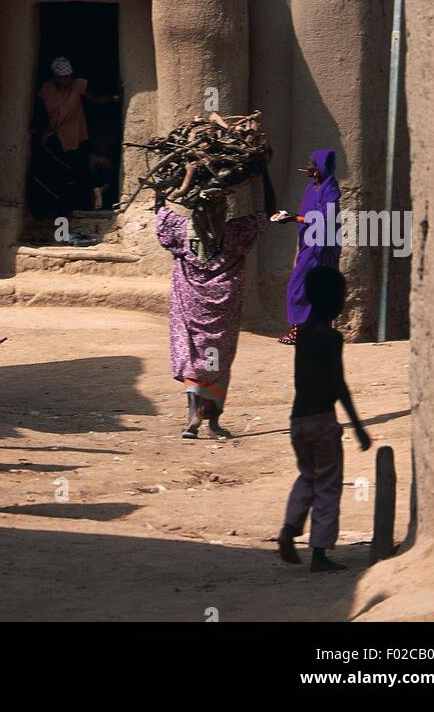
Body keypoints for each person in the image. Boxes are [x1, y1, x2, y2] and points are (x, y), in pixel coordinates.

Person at [155, 161, 274, 439]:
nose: (218, 212)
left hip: (195, 311)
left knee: (196, 360)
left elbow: (160, 211)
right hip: (222, 314)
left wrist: (162, 184)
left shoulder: (182, 231)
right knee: (215, 364)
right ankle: (210, 421)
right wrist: (263, 174)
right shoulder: (235, 233)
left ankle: (197, 416)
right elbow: (268, 212)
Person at [278, 265, 371, 572]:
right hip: (323, 422)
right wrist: (358, 427)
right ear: (336, 301)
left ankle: (290, 528)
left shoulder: (302, 335)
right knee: (328, 486)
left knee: (307, 476)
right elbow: (338, 385)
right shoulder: (332, 339)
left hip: (297, 420)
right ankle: (319, 552)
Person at [32, 55, 119, 246]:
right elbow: (41, 112)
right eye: (63, 77)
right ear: (56, 77)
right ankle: (54, 223)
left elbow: (93, 98)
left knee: (72, 181)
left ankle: (66, 223)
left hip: (75, 139)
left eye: (69, 76)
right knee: (51, 182)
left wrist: (113, 98)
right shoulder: (46, 89)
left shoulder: (78, 85)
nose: (67, 80)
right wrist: (40, 132)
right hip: (53, 140)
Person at [276, 149, 341, 344]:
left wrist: (293, 218)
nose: (308, 166)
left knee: (298, 286)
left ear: (319, 169)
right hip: (308, 245)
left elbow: (326, 219)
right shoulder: (310, 188)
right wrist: (292, 217)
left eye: (312, 163)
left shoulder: (330, 190)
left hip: (321, 248)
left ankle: (299, 332)